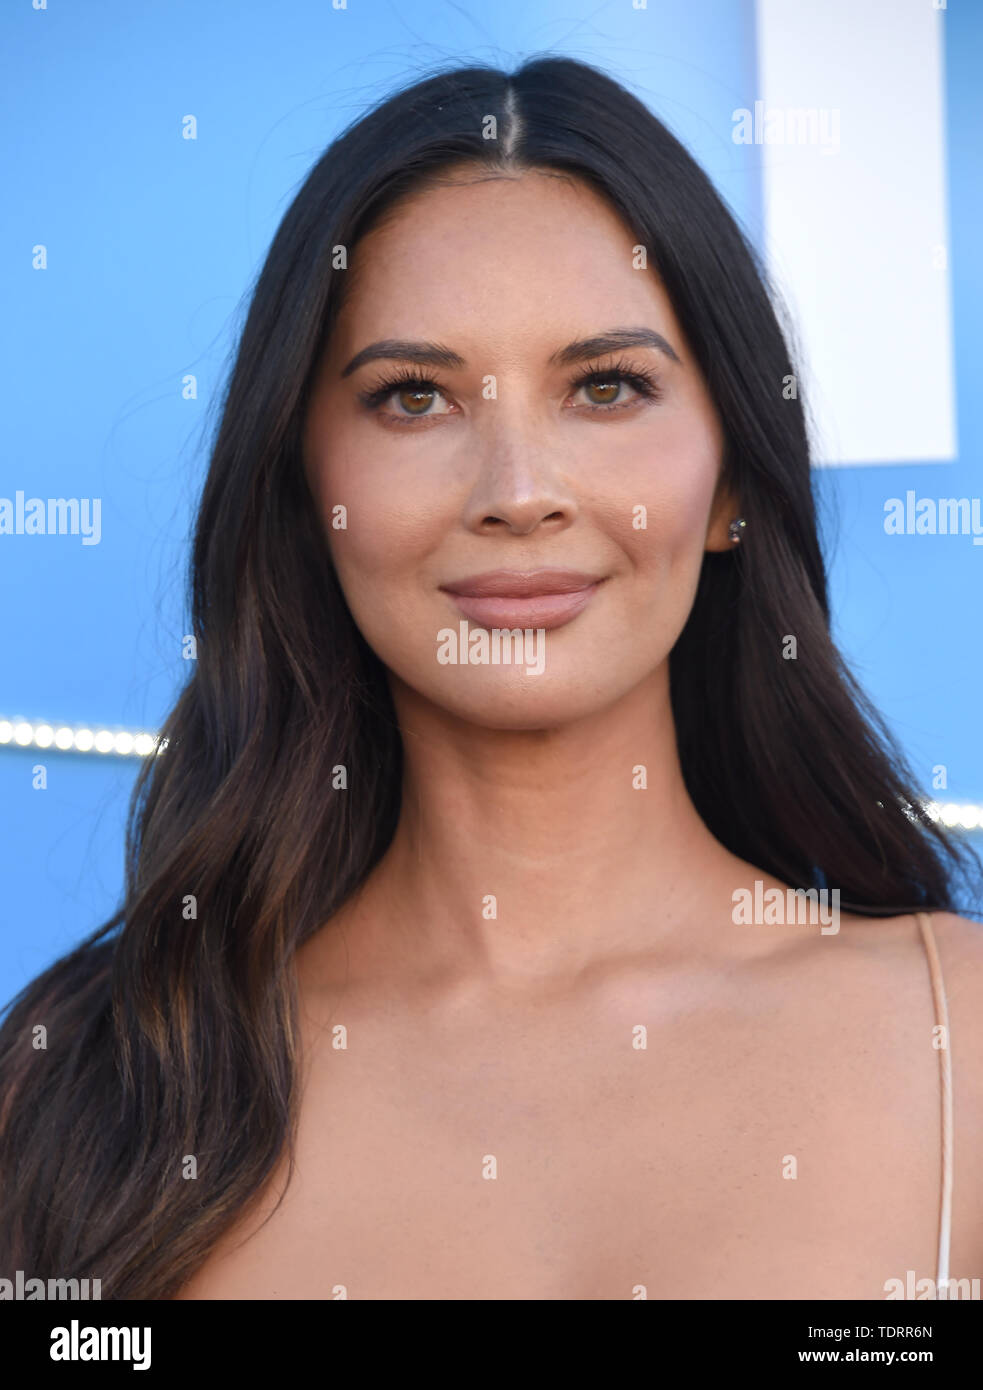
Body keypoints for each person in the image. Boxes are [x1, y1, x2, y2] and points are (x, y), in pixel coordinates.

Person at [2, 56, 981, 1302]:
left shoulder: (959, 1041)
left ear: (731, 478)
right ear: (309, 488)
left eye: (606, 388)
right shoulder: (91, 1085)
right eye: (413, 397)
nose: (518, 489)